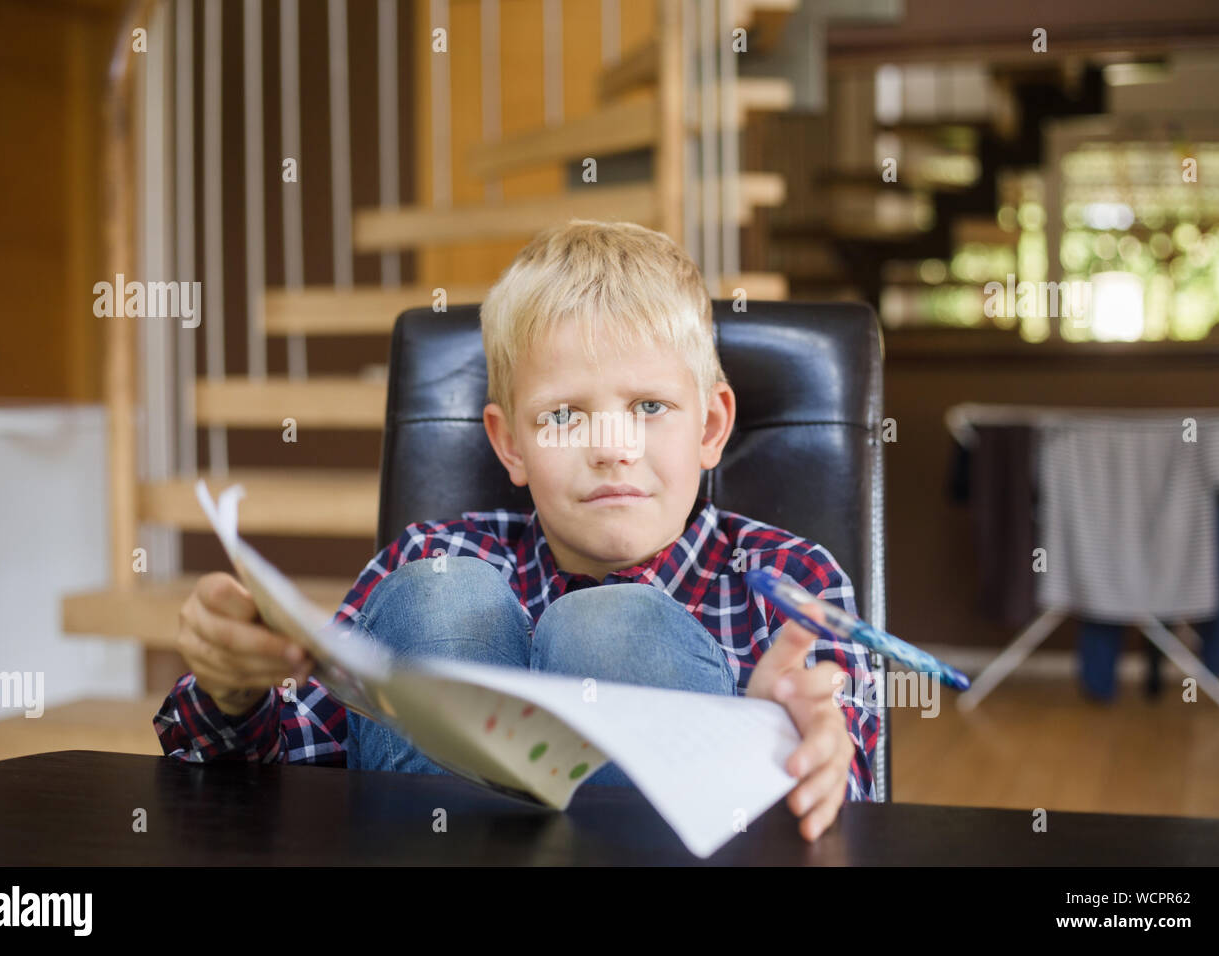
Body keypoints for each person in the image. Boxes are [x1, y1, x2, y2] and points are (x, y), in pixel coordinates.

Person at [157, 219, 878, 844]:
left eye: (650, 407)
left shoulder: (792, 581)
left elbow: (859, 802)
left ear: (712, 426)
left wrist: (782, 749)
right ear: (510, 445)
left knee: (609, 627)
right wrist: (231, 692)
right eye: (564, 416)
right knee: (441, 596)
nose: (613, 447)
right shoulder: (430, 557)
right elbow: (265, 761)